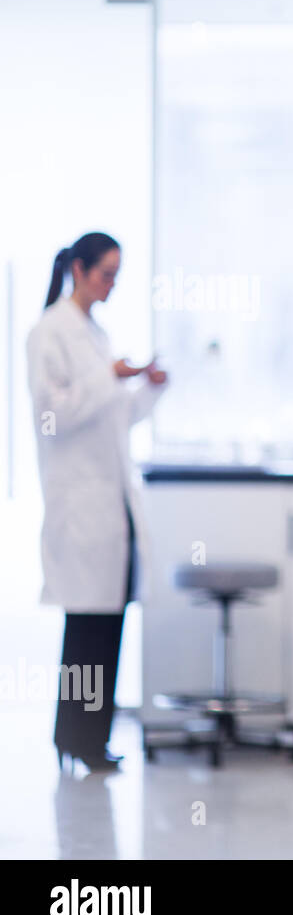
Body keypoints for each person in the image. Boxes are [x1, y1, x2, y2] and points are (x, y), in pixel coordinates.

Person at [26, 232, 169, 773]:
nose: (112, 285)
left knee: (106, 630)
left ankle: (92, 740)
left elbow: (115, 418)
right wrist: (106, 376)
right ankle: (75, 739)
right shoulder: (49, 333)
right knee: (85, 632)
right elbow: (52, 416)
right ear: (79, 271)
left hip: (112, 507)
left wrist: (148, 387)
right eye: (107, 273)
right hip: (79, 508)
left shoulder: (95, 334)